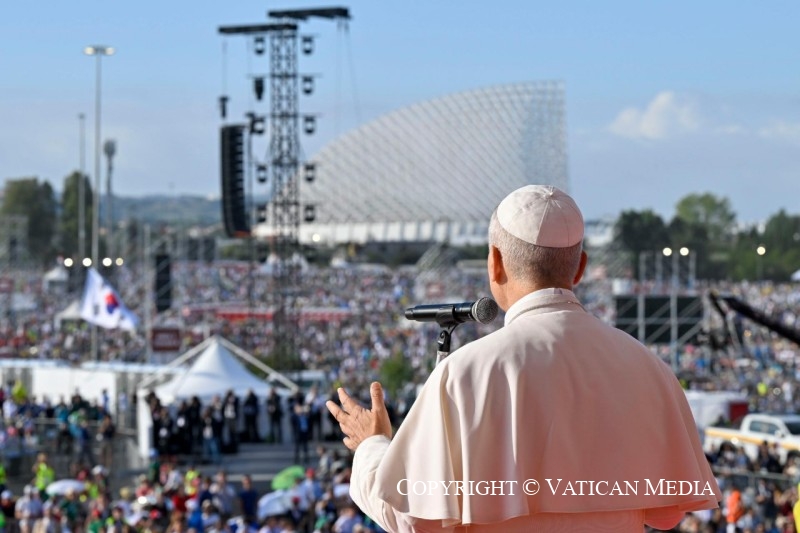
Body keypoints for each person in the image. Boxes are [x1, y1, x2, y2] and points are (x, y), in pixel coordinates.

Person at [327, 184, 721, 532]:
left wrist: (372, 446)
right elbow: (667, 514)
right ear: (580, 268)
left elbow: (414, 518)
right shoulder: (647, 367)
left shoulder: (464, 374)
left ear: (495, 263)